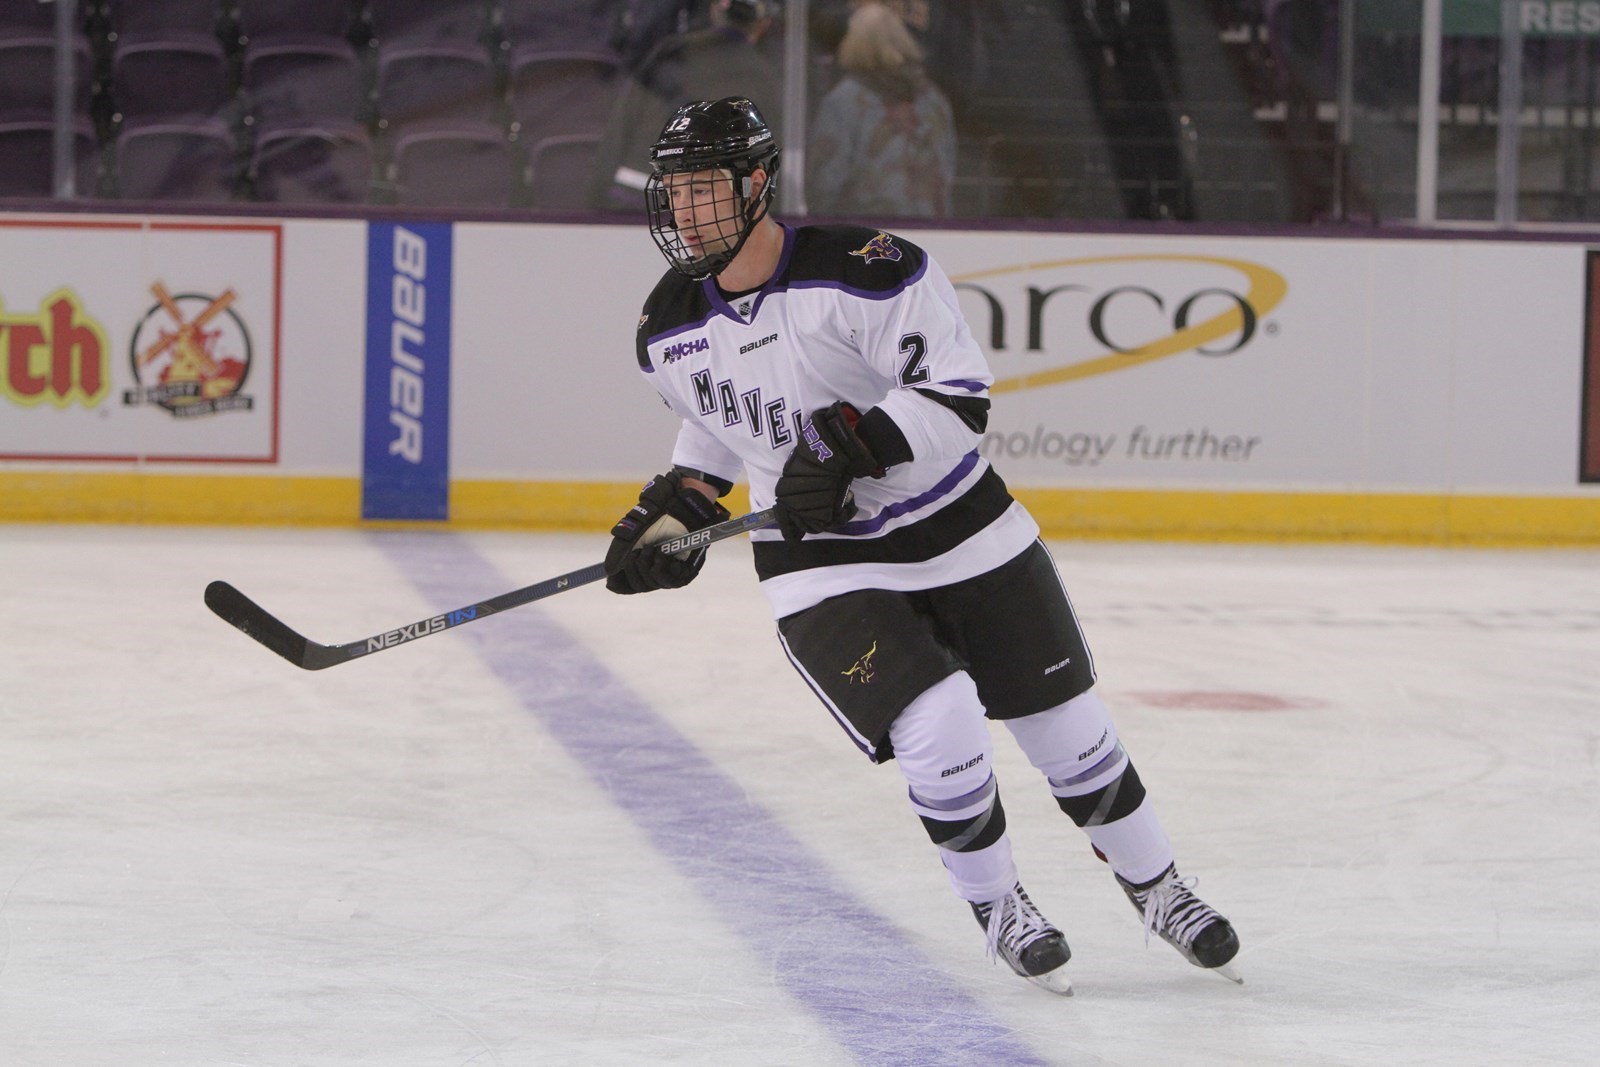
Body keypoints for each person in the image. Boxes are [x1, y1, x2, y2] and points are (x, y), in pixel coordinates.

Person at [602, 96, 1241, 993]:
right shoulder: (664, 327)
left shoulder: (869, 270)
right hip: (823, 560)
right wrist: (671, 519)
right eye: (674, 192)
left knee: (1068, 732)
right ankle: (1000, 907)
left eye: (705, 187)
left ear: (756, 184)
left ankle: (1161, 889)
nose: (685, 211)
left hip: (965, 527)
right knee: (938, 719)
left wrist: (857, 443)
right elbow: (710, 443)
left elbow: (960, 397)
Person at [588, 0, 784, 211]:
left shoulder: (670, 53)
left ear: (715, 9)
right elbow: (769, 163)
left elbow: (618, 134)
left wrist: (593, 203)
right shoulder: (764, 78)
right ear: (764, 23)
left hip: (631, 196)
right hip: (707, 211)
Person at [807, 2, 955, 218]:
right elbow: (946, 168)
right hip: (929, 223)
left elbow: (824, 181)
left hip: (862, 229)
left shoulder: (844, 100)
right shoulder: (934, 99)